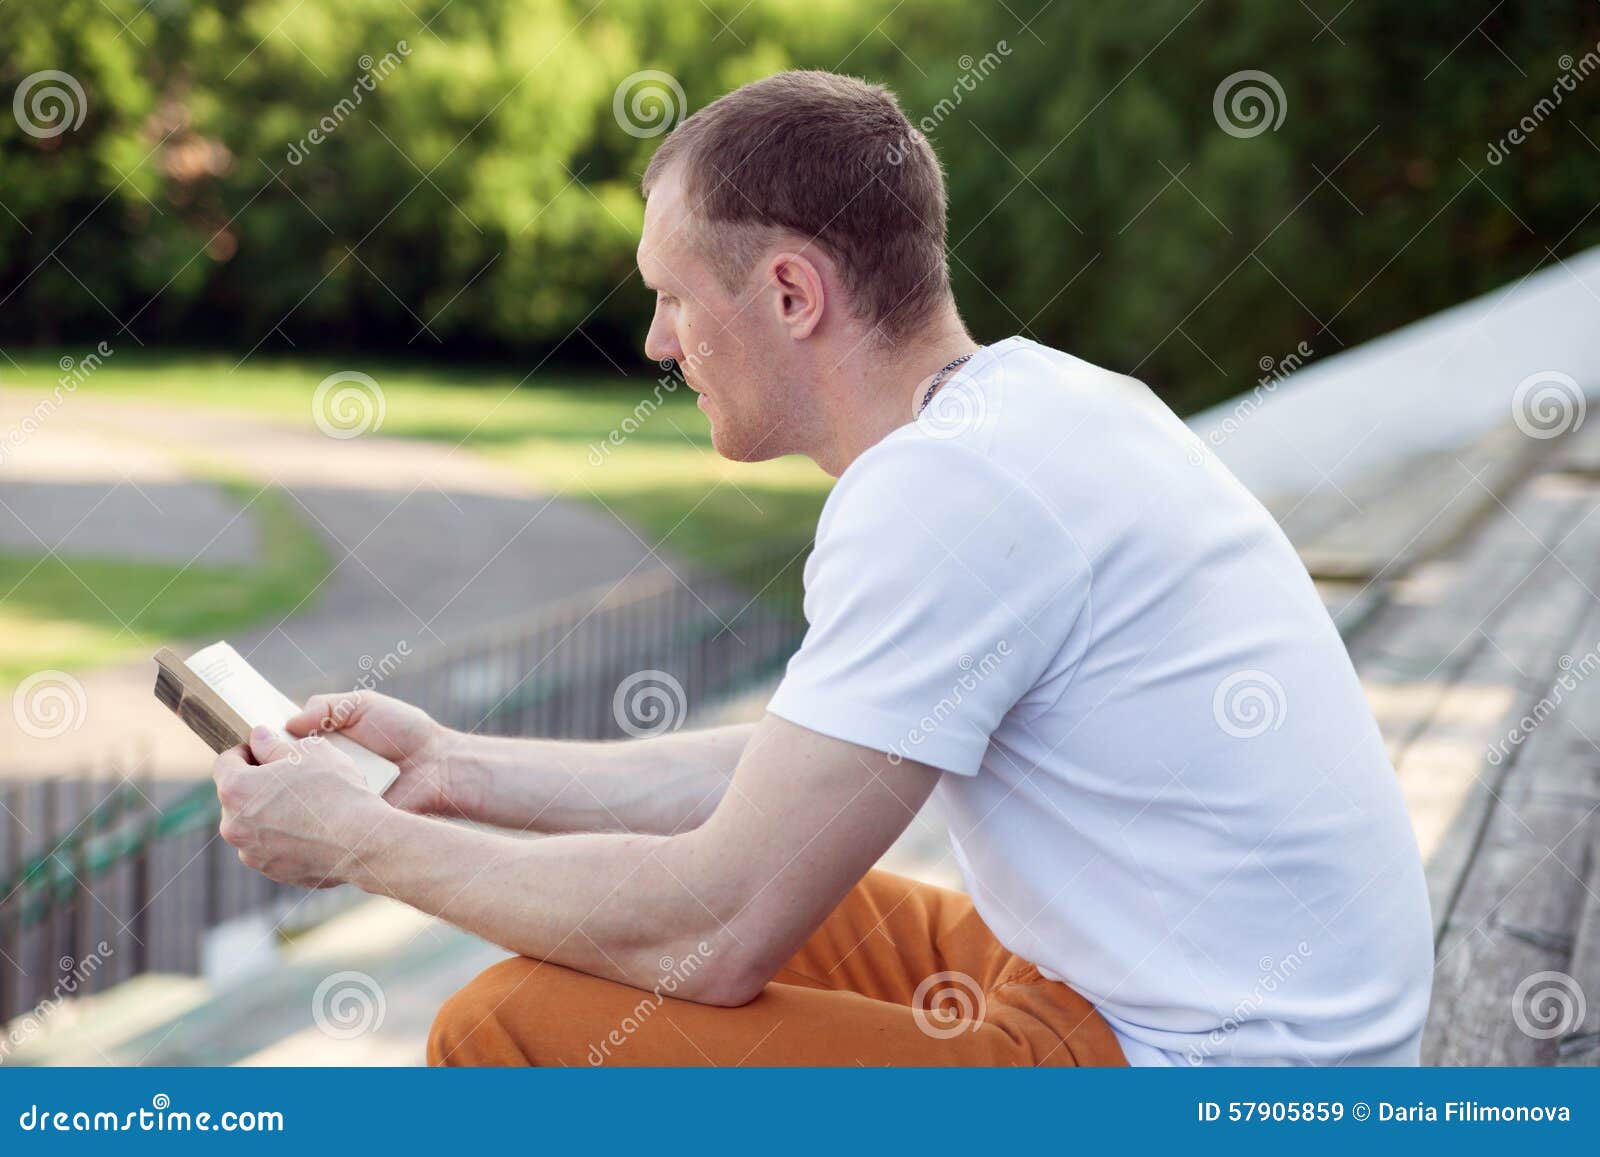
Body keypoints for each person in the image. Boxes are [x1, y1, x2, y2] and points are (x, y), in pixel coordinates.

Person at [213, 70, 1433, 1066]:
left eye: (673, 298)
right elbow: (798, 772)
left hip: (1206, 1077)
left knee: (509, 1027)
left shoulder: (945, 494)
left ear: (791, 291)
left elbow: (715, 930)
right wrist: (460, 770)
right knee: (626, 935)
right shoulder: (1040, 405)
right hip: (1155, 1000)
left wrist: (357, 842)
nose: (657, 342)